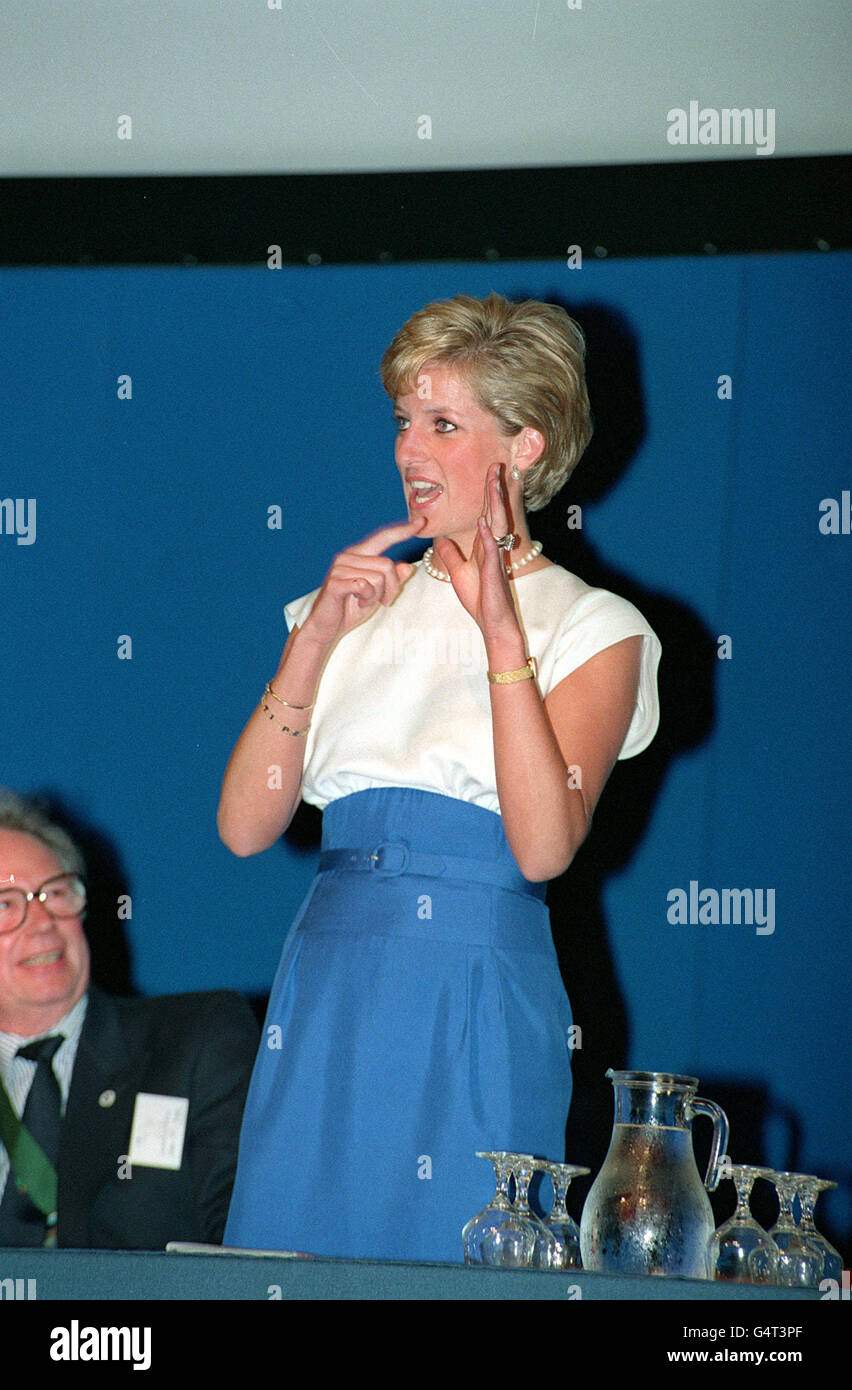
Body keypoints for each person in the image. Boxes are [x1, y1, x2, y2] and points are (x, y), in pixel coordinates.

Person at [219, 291, 661, 1263]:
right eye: (403, 422)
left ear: (526, 448)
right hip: (331, 973)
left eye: (443, 424)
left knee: (456, 1256)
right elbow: (245, 827)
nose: (409, 450)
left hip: (475, 973)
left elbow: (543, 845)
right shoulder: (347, 604)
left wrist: (499, 625)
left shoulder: (594, 626)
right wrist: (315, 640)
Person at [0, 792, 259, 1249]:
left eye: (56, 893)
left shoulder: (194, 1042)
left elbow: (246, 1251)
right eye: (6, 904)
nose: (43, 922)